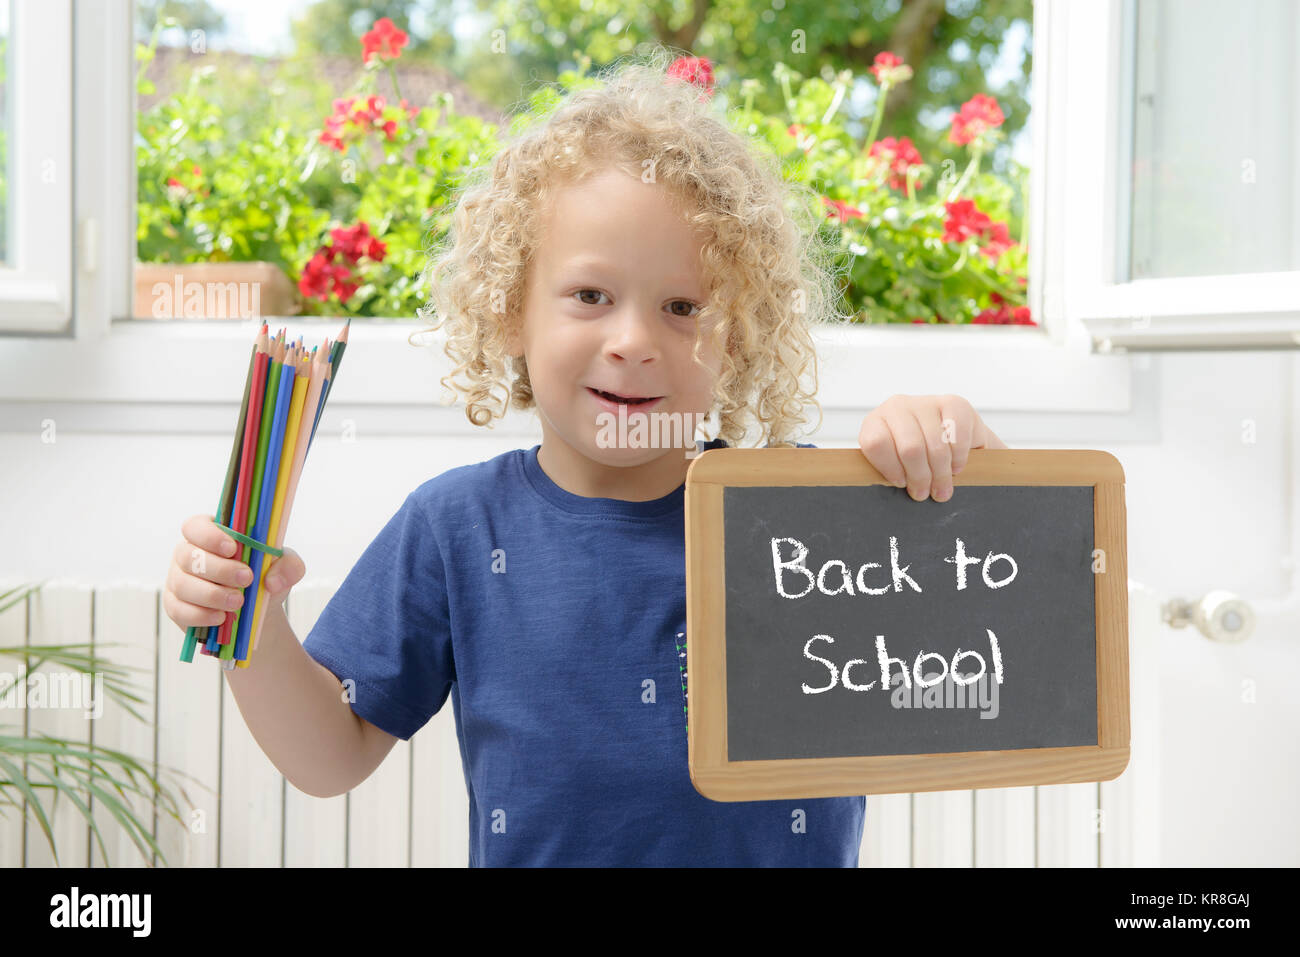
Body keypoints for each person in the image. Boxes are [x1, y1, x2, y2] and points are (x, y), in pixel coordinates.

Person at [163, 48, 1007, 866]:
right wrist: (255, 624)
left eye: (683, 306)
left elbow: (1007, 633)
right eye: (590, 296)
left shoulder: (801, 509)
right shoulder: (456, 525)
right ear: (510, 313)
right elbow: (329, 756)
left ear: (740, 339)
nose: (633, 340)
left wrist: (957, 447)